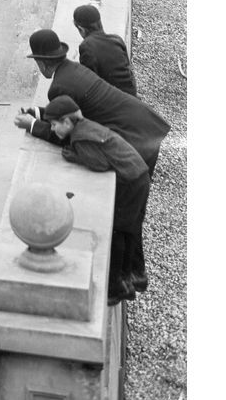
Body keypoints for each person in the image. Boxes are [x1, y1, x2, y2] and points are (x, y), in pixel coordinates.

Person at [16, 28, 169, 292]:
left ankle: (125, 278)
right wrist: (40, 113)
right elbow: (75, 114)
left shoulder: (59, 86)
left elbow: (67, 135)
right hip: (144, 128)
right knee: (133, 216)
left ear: (41, 62)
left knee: (126, 219)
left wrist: (32, 126)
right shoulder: (72, 70)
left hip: (134, 141)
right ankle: (136, 274)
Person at [21, 95, 150, 305]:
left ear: (67, 122)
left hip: (130, 182)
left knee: (118, 231)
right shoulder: (84, 127)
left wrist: (71, 155)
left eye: (54, 125)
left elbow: (98, 164)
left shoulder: (81, 138)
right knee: (131, 229)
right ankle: (135, 276)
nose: (53, 130)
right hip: (138, 174)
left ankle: (117, 287)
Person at [72, 4, 137, 96]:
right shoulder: (117, 39)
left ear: (81, 29)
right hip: (131, 94)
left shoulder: (87, 46)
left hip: (113, 100)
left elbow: (88, 83)